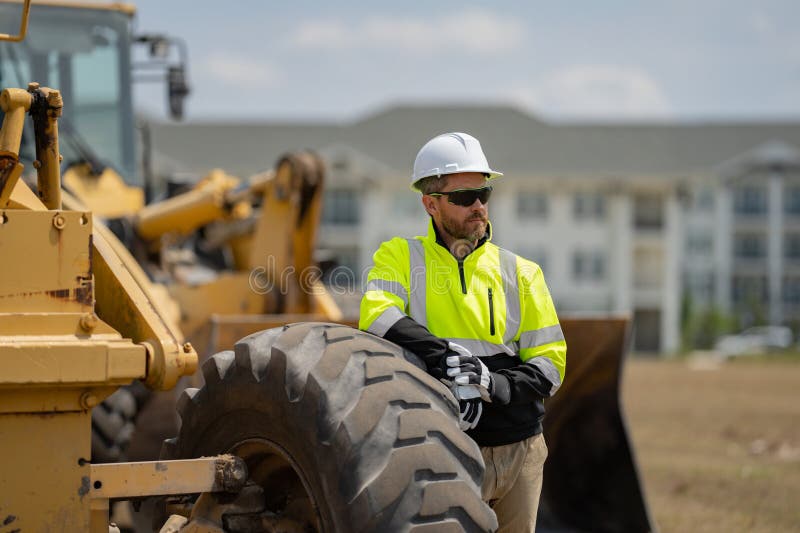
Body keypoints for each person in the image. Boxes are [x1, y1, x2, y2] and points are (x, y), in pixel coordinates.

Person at [359, 132, 567, 532]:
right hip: (440, 452)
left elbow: (550, 365)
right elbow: (377, 316)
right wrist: (448, 359)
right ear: (430, 204)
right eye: (463, 197)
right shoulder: (400, 257)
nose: (478, 206)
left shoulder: (521, 272)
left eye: (483, 194)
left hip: (519, 452)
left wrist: (492, 382)